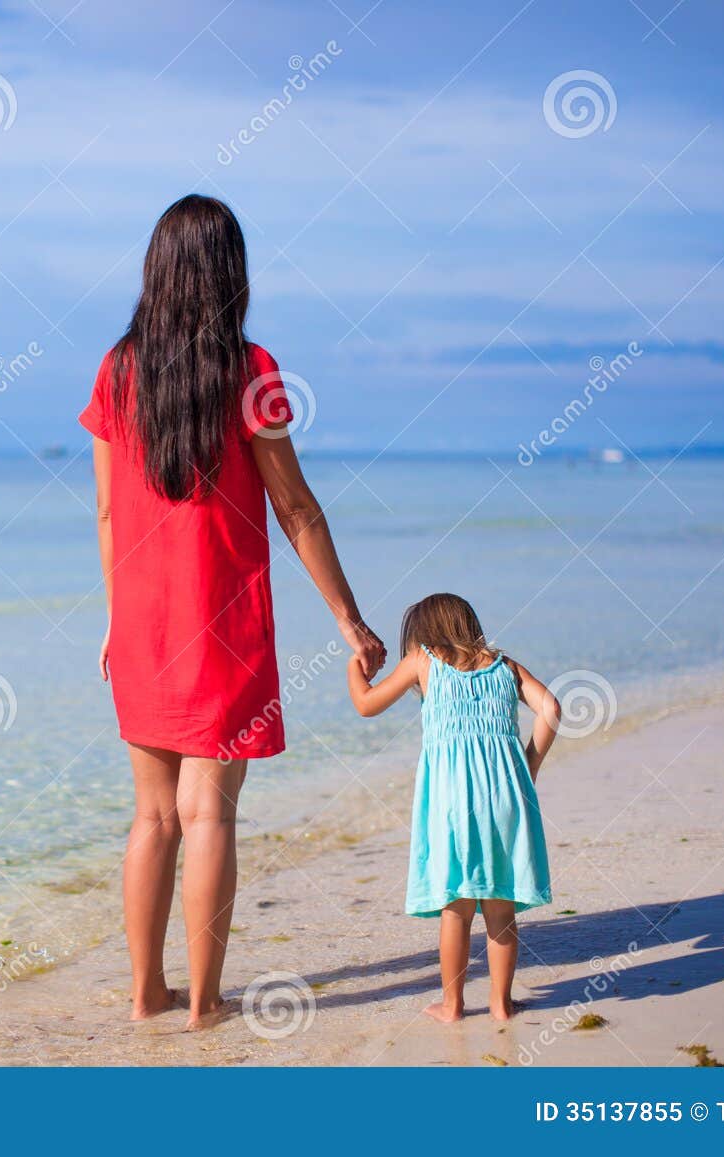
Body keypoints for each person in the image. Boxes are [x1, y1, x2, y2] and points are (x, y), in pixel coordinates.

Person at [82, 193, 385, 1028]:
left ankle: (147, 993)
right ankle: (205, 1001)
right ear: (229, 275)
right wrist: (347, 616)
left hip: (141, 622)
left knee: (150, 815)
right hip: (221, 622)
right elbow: (296, 508)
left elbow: (108, 514)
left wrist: (114, 617)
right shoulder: (249, 370)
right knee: (208, 808)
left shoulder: (117, 370)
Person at [347, 593, 558, 1021]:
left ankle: (453, 1004)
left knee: (456, 905)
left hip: (452, 805)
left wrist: (354, 666)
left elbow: (366, 705)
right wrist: (529, 764)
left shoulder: (424, 661)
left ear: (423, 635)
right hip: (506, 797)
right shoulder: (505, 666)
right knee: (501, 904)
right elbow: (551, 708)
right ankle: (501, 1005)